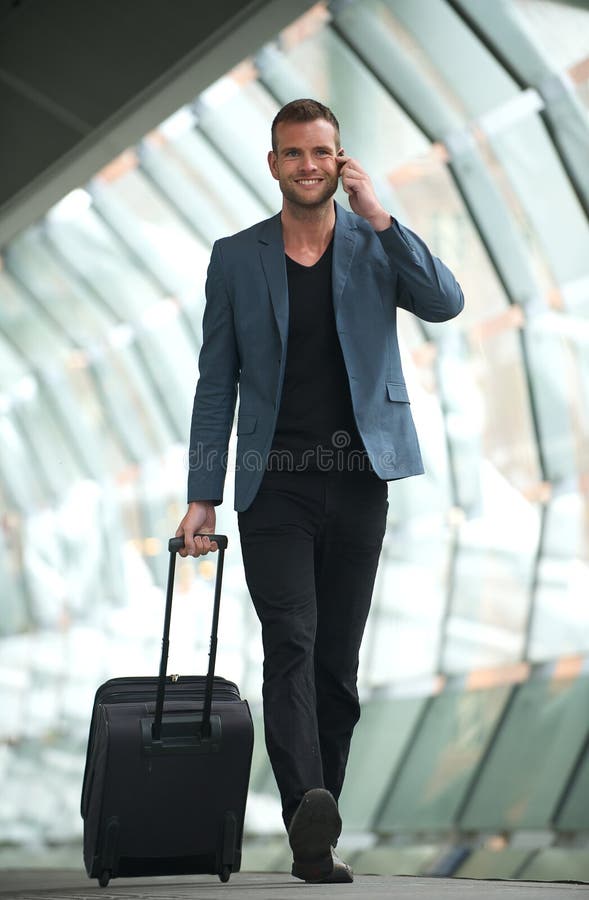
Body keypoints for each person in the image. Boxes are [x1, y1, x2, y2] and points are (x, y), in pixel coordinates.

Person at [176, 98, 464, 883]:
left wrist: (380, 215)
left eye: (321, 152)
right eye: (294, 152)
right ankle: (304, 802)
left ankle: (318, 827)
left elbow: (444, 302)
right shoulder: (236, 258)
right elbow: (215, 384)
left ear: (340, 160)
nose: (308, 165)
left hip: (360, 481)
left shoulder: (373, 244)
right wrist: (203, 492)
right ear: (273, 163)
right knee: (291, 645)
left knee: (336, 665)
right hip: (274, 486)